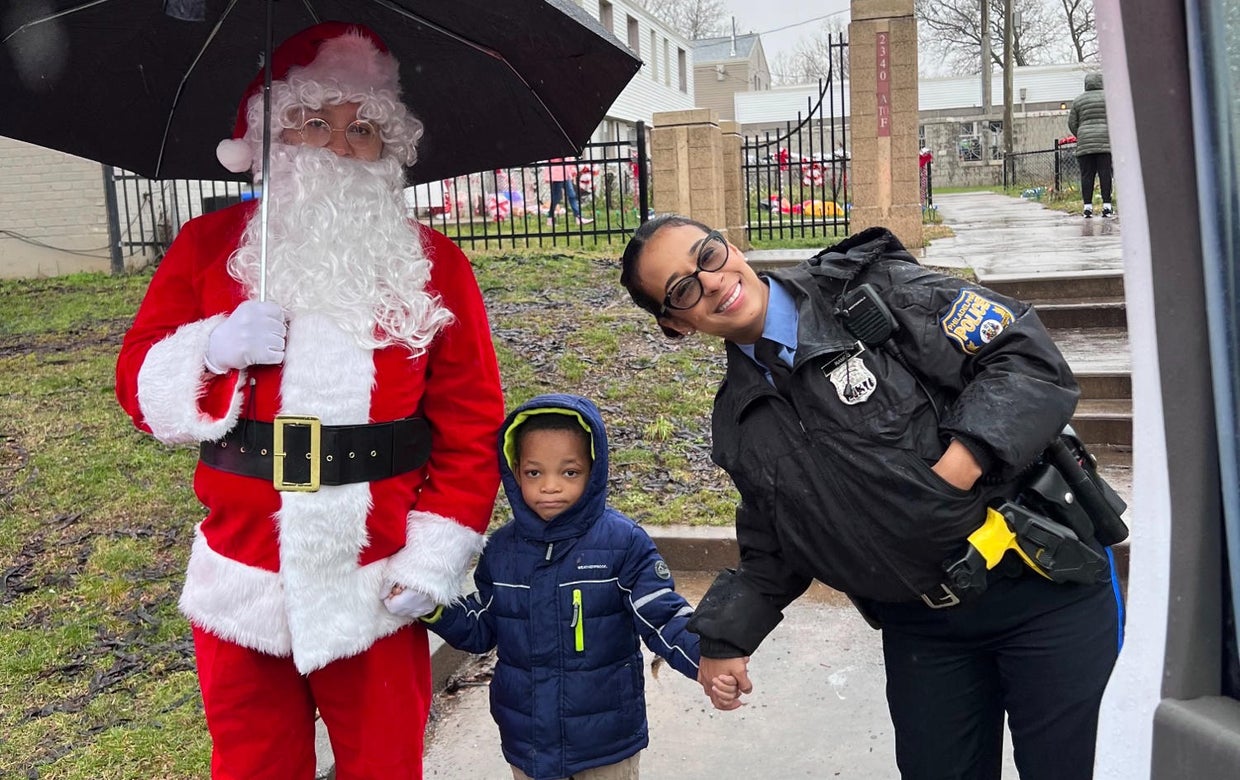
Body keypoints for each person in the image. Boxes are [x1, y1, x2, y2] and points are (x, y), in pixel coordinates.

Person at [114, 22, 504, 779]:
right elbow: (137, 378)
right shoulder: (207, 246)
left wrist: (433, 557)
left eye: (362, 129)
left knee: (385, 764)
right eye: (314, 121)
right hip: (241, 574)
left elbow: (471, 423)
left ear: (386, 147)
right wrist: (211, 348)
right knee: (252, 763)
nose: (338, 145)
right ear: (270, 135)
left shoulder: (435, 264)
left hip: (377, 572)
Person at [619, 216, 1124, 780]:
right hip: (925, 633)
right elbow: (777, 540)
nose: (711, 282)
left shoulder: (873, 292)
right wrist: (724, 637)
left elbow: (1025, 356)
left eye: (708, 255)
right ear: (675, 324)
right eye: (683, 288)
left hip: (1041, 591)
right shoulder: (739, 420)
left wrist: (962, 462)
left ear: (732, 246)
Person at [396, 393, 701, 780]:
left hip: (606, 744)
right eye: (534, 473)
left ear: (594, 471)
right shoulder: (503, 551)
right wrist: (433, 606)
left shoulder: (623, 544)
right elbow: (483, 627)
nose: (550, 487)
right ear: (514, 471)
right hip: (529, 741)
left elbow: (664, 614)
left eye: (569, 472)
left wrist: (706, 657)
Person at [1068, 72, 1114, 218]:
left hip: (1085, 145)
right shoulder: (1108, 97)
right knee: (1105, 174)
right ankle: (1107, 205)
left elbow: (1072, 123)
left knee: (1087, 175)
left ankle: (1087, 207)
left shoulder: (1078, 101)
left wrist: (1081, 134)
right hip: (1105, 143)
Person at [546, 156, 593, 227]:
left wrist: (572, 169)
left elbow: (570, 159)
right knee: (557, 197)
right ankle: (550, 218)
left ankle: (578, 217)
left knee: (572, 195)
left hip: (566, 173)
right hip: (557, 174)